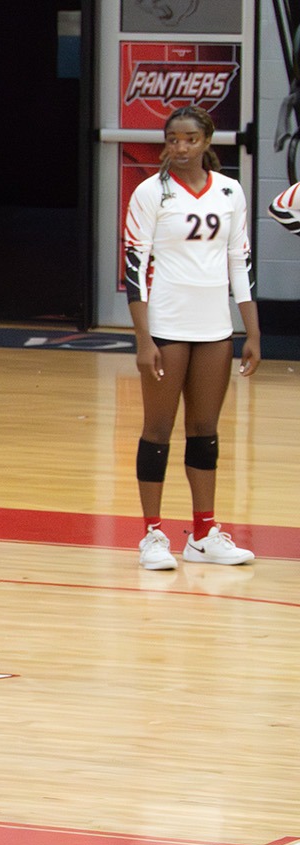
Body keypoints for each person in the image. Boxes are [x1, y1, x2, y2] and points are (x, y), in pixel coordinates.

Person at [122, 105, 259, 570]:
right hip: (166, 326)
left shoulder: (229, 190)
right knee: (157, 431)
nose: (180, 148)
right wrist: (143, 340)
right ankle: (152, 535)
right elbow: (134, 268)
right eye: (173, 139)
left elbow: (239, 261)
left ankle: (203, 535)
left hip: (215, 329)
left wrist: (251, 330)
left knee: (205, 433)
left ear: (207, 143)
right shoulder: (150, 193)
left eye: (190, 140)